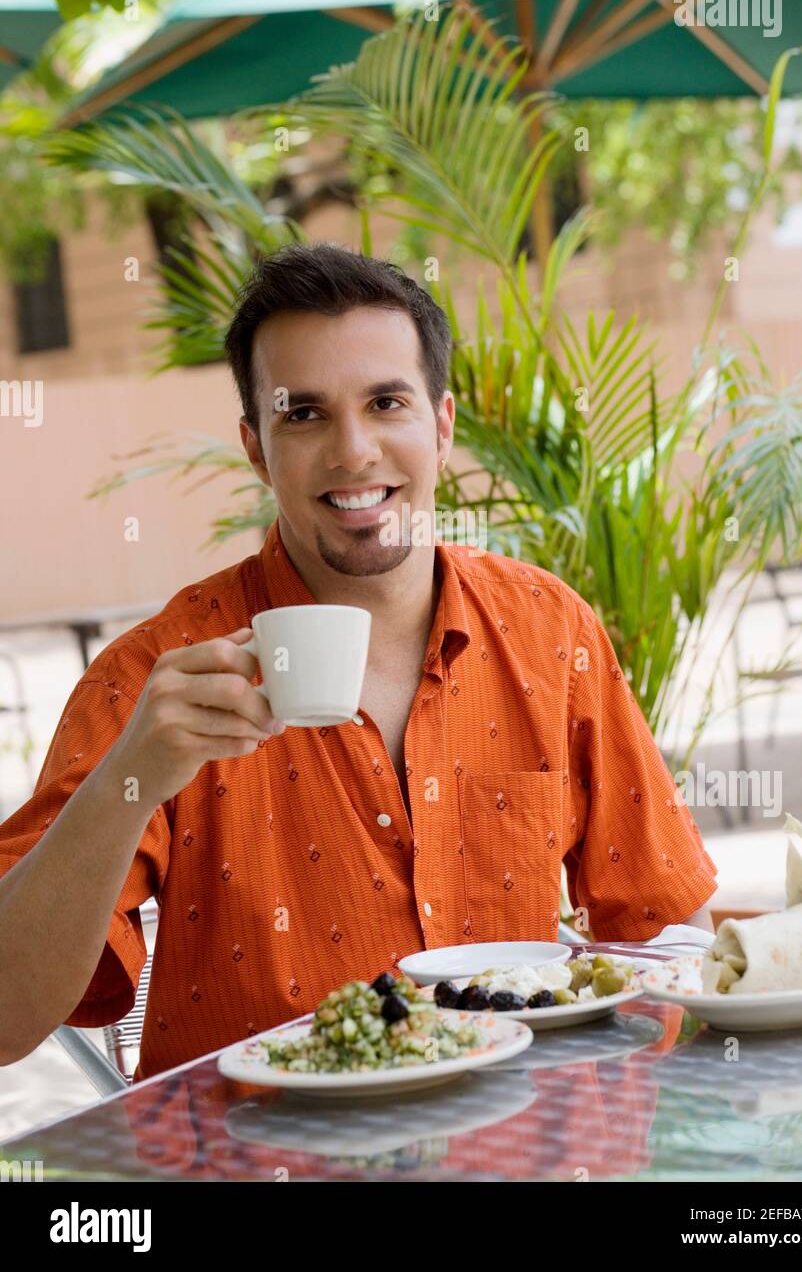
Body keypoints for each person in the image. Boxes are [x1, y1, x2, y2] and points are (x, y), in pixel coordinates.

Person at [0, 243, 717, 1080]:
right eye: (303, 414)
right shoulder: (156, 682)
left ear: (441, 427)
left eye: (386, 402)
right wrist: (131, 780)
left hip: (519, 1154)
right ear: (257, 448)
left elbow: (674, 936)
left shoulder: (549, 632)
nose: (353, 453)